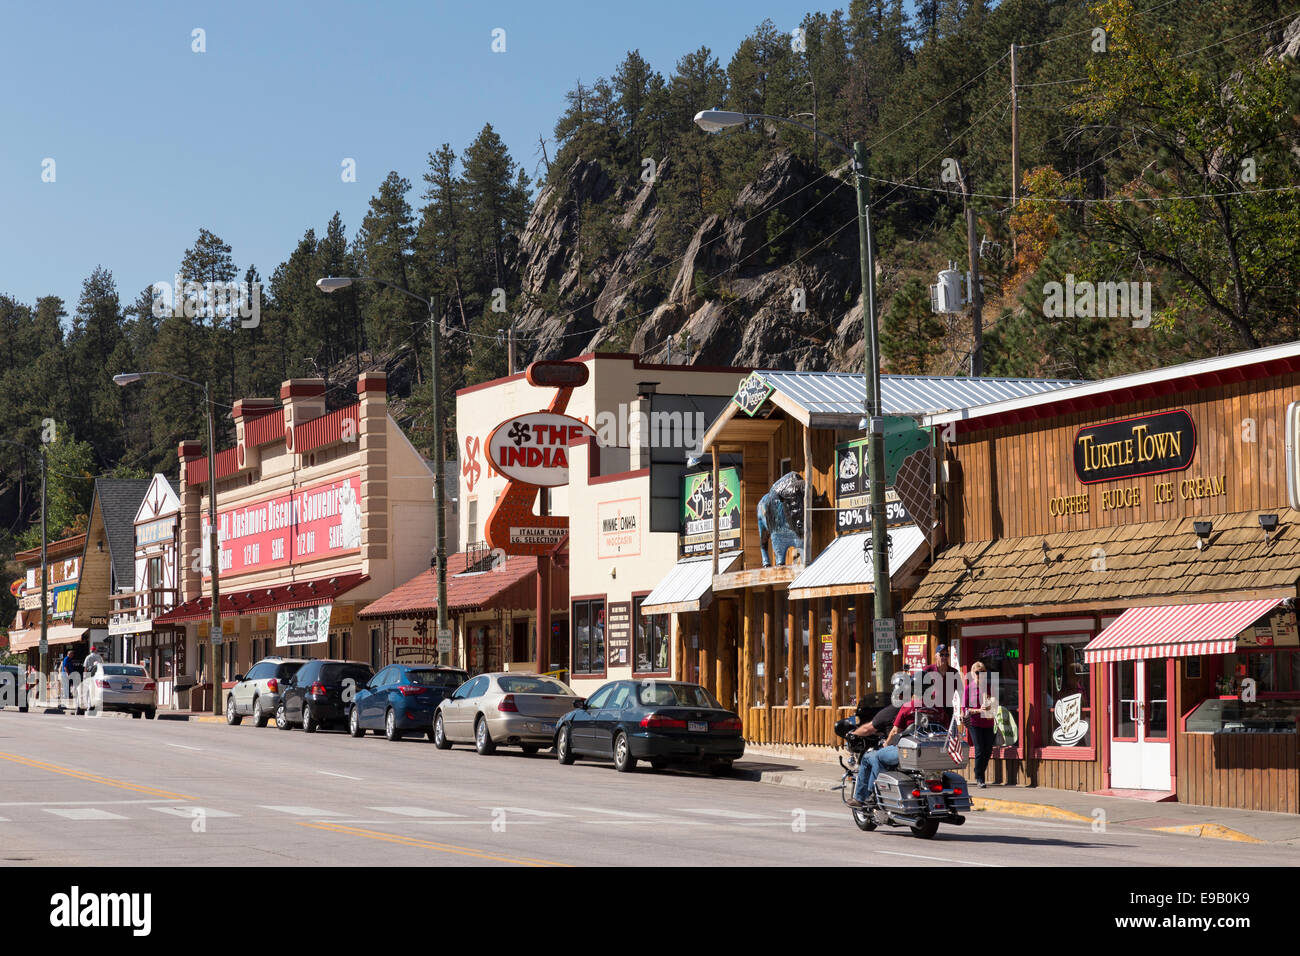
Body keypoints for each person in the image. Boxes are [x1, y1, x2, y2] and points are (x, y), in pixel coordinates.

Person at [852, 691, 940, 807]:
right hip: (931, 752)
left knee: (877, 755)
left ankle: (871, 795)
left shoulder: (910, 706)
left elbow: (894, 731)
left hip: (909, 751)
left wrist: (886, 745)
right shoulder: (939, 710)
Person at [964, 660, 996, 788]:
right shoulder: (968, 688)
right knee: (979, 750)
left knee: (988, 750)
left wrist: (991, 708)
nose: (979, 675)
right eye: (977, 672)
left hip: (988, 722)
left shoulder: (988, 687)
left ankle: (978, 772)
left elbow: (993, 704)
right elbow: (964, 709)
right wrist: (978, 710)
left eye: (982, 672)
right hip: (975, 723)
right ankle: (980, 778)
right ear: (972, 674)